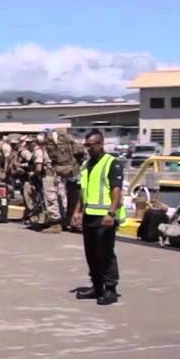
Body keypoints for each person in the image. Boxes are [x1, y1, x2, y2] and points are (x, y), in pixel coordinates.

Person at [72, 130, 124, 305]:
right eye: (86, 145)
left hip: (104, 217)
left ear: (101, 144)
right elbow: (83, 191)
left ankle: (110, 289)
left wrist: (111, 212)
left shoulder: (112, 163)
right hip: (89, 216)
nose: (88, 148)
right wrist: (77, 211)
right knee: (92, 253)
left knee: (105, 253)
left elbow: (116, 189)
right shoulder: (86, 165)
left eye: (91, 145)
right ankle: (97, 286)